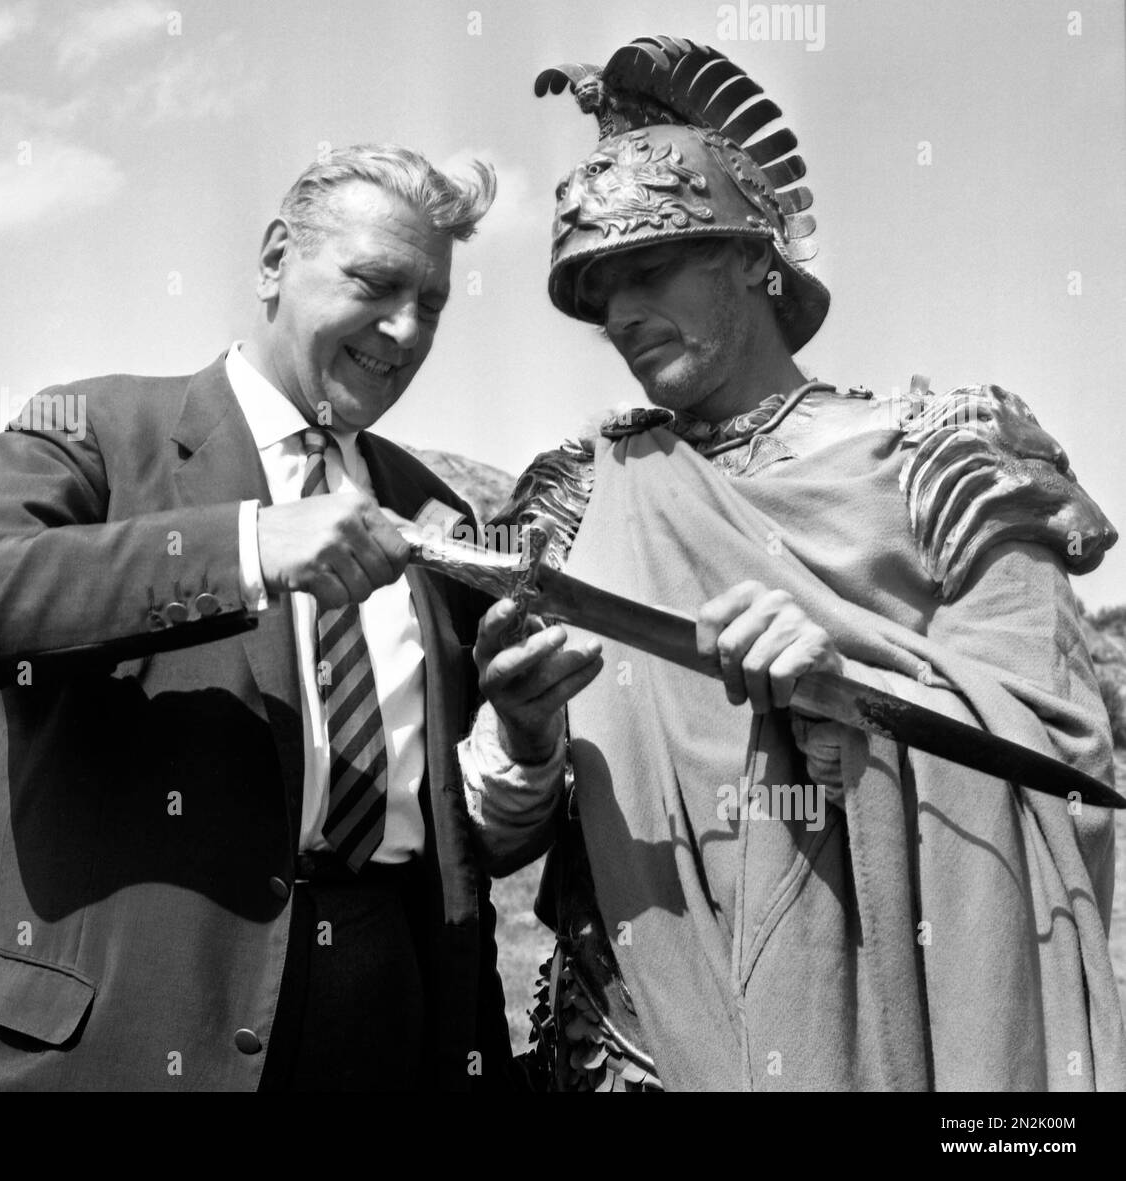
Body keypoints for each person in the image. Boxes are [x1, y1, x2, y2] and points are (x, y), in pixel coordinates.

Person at [459, 35, 1125, 1091]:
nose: (621, 314)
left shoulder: (943, 460)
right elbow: (496, 835)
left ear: (756, 258)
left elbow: (1063, 775)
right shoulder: (570, 498)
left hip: (888, 1038)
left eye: (649, 268)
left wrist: (849, 703)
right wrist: (527, 735)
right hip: (618, 1047)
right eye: (596, 289)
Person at [0, 143, 515, 1091]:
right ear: (273, 260)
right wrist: (248, 547)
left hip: (384, 1025)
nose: (406, 327)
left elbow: (454, 821)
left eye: (432, 302)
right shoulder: (90, 427)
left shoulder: (433, 511)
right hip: (124, 1036)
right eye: (377, 282)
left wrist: (532, 739)